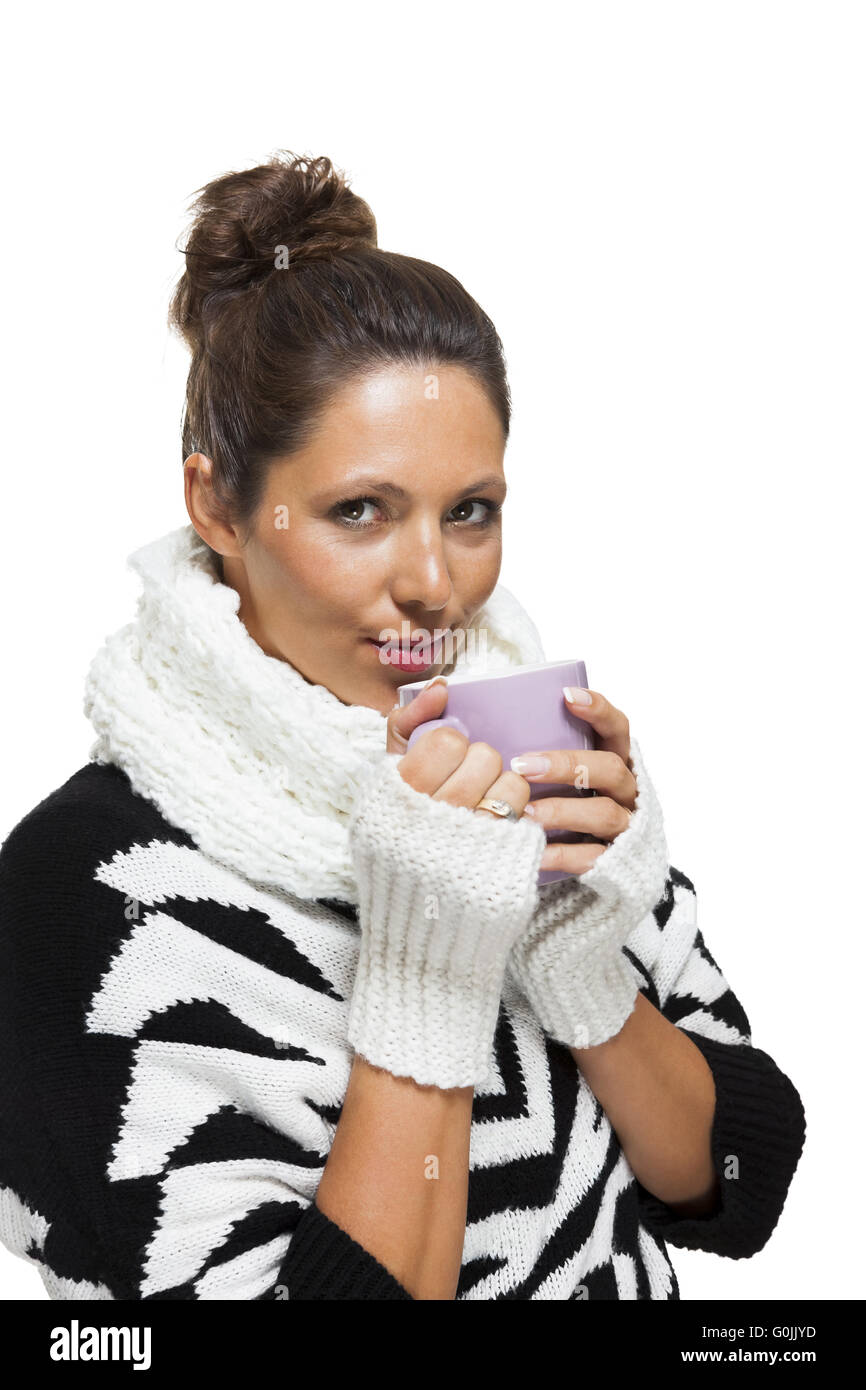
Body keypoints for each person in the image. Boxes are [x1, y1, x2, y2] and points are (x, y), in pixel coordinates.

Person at [0, 151, 805, 1301]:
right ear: (218, 506)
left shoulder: (542, 764)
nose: (434, 583)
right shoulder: (88, 891)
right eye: (360, 511)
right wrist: (428, 970)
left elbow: (736, 1187)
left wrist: (572, 956)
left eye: (469, 511)